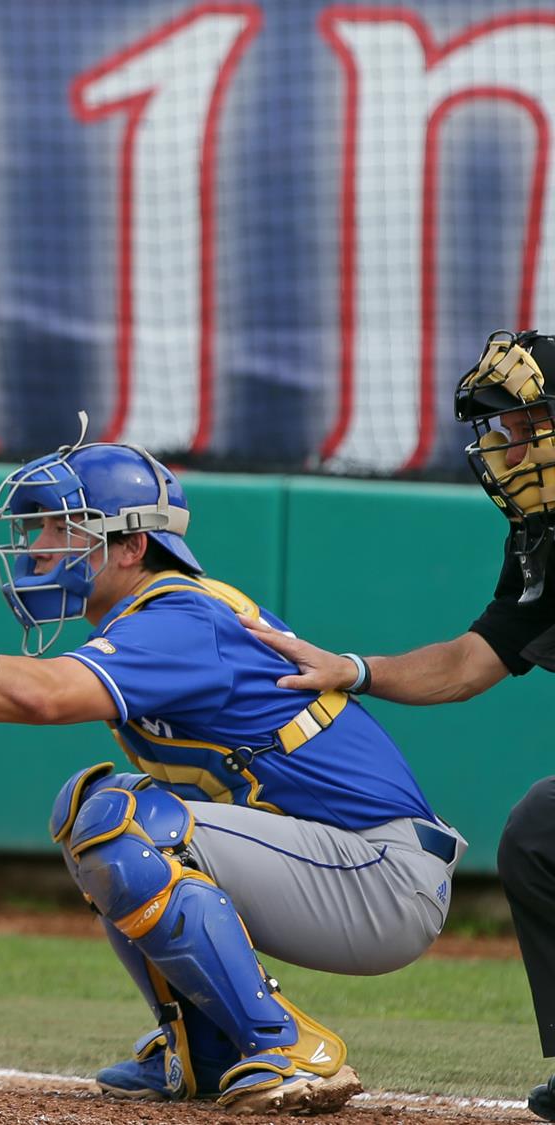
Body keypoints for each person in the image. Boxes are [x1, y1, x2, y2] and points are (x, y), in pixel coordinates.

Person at [0, 428, 459, 1116]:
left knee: (122, 820)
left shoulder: (179, 616)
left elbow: (41, 695)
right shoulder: (147, 618)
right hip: (337, 863)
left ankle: (287, 1043)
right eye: (41, 526)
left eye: (64, 525)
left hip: (381, 875)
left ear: (132, 545)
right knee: (90, 806)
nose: (40, 544)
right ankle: (207, 1051)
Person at [240, 328, 555, 1121]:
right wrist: (357, 669)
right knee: (539, 836)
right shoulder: (541, 533)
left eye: (527, 428)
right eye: (505, 432)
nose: (509, 450)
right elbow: (472, 660)